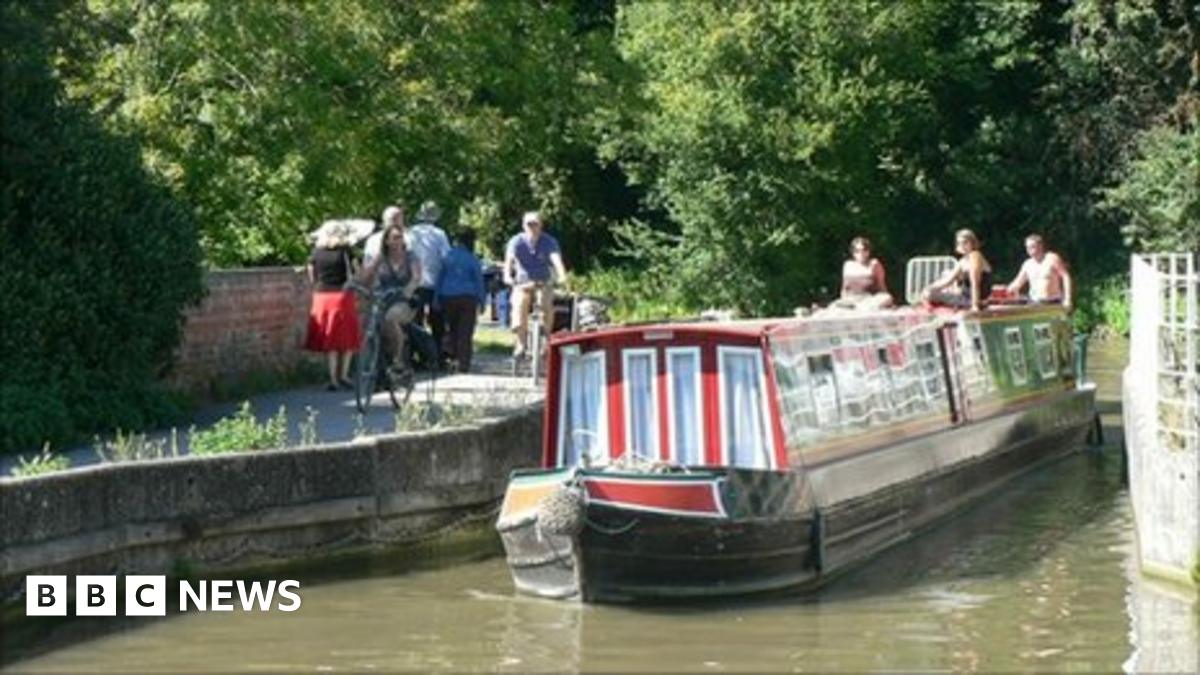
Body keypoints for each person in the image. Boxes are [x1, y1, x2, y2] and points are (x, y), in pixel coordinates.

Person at [358, 222, 422, 380]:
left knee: (390, 318)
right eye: (393, 238)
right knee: (368, 321)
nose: (397, 241)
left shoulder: (410, 256)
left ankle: (398, 359)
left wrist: (409, 289)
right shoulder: (381, 257)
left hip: (404, 300)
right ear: (386, 241)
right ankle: (375, 364)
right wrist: (355, 283)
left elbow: (416, 276)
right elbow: (367, 275)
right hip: (384, 298)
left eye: (399, 237)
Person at [504, 211, 568, 358]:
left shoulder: (549, 241)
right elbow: (509, 261)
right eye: (529, 224)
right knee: (519, 303)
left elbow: (556, 259)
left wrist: (562, 275)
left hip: (543, 282)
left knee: (546, 304)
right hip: (522, 282)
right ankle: (521, 342)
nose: (532, 227)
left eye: (535, 224)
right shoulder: (516, 241)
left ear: (541, 225)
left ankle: (546, 339)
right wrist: (507, 276)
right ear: (523, 226)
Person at [304, 228, 362, 390]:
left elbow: (311, 275)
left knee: (329, 339)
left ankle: (332, 379)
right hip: (342, 296)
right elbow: (357, 271)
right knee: (347, 337)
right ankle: (343, 375)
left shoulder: (316, 252)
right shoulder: (345, 251)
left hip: (322, 297)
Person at [436, 229, 486, 372]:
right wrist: (482, 300)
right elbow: (478, 281)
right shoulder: (472, 259)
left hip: (448, 296)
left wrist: (436, 298)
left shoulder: (448, 257)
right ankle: (464, 363)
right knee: (465, 331)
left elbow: (440, 278)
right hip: (467, 298)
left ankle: (450, 359)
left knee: (451, 329)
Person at [407, 200, 451, 355]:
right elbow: (446, 258)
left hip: (414, 282)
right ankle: (436, 354)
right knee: (437, 321)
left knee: (414, 321)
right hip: (434, 283)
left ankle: (414, 354)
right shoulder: (439, 234)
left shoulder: (410, 232)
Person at [922, 228, 993, 312]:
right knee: (933, 288)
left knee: (931, 294)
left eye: (965, 243)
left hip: (975, 299)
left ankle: (978, 303)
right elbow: (946, 281)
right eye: (959, 243)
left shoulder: (975, 256)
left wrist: (975, 306)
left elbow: (975, 283)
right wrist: (929, 288)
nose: (962, 246)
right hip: (964, 297)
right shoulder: (962, 261)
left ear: (972, 243)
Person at [1006, 234, 1073, 311]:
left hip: (1053, 302)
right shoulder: (1027, 264)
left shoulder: (1051, 258)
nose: (1029, 250)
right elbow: (1017, 283)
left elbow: (1065, 276)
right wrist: (1007, 290)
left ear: (1040, 246)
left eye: (1032, 247)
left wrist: (1068, 298)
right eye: (1027, 247)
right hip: (1034, 303)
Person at [838, 236, 894, 309]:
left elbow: (882, 286)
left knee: (887, 298)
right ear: (853, 252)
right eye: (857, 251)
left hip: (869, 300)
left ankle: (862, 308)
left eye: (864, 250)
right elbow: (844, 288)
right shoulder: (848, 265)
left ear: (868, 251)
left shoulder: (874, 264)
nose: (861, 253)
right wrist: (843, 299)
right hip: (851, 300)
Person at [363, 205, 404, 270]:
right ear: (384, 222)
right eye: (392, 220)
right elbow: (368, 265)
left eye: (398, 220)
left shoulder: (411, 238)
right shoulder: (373, 241)